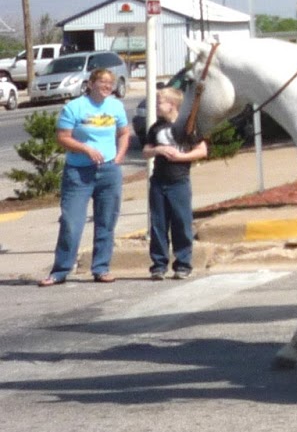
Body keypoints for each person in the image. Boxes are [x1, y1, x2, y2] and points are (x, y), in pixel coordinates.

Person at [39, 67, 131, 286]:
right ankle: (60, 270)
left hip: (108, 171)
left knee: (106, 221)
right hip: (79, 172)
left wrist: (119, 156)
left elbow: (124, 132)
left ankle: (101, 268)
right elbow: (63, 137)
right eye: (102, 82)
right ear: (90, 84)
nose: (107, 86)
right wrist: (85, 149)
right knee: (71, 222)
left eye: (110, 83)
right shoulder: (75, 107)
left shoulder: (116, 106)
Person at [142, 86, 209, 280]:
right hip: (158, 181)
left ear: (172, 105)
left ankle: (183, 263)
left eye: (160, 103)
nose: (156, 106)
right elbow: (146, 150)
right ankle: (159, 265)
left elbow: (202, 150)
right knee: (158, 225)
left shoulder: (187, 126)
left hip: (179, 181)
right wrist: (157, 150)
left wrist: (181, 157)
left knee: (181, 223)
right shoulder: (156, 128)